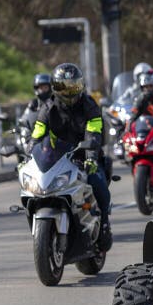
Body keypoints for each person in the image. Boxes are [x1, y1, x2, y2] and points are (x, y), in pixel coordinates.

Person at [30, 63, 112, 251]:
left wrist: (90, 156)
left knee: (97, 182)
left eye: (72, 86)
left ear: (80, 86)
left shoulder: (90, 106)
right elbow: (38, 132)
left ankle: (105, 224)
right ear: (54, 88)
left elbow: (94, 133)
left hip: (85, 156)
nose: (68, 92)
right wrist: (29, 155)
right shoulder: (48, 107)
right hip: (58, 157)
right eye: (62, 87)